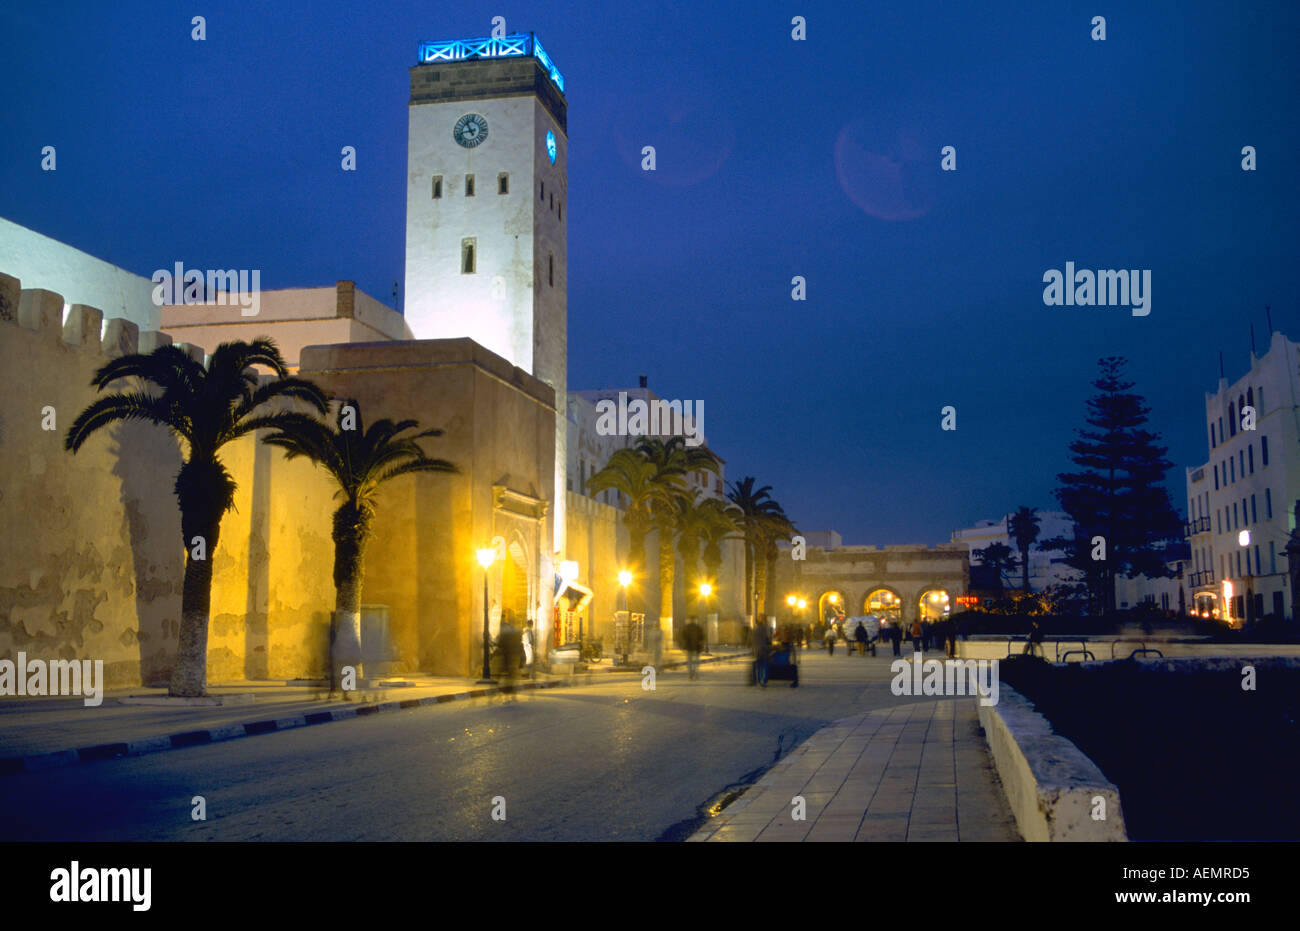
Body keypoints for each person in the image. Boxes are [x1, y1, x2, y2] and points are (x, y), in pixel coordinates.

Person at [497, 612, 523, 700]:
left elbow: (500, 642)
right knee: (511, 673)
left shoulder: (506, 630)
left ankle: (508, 692)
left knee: (507, 673)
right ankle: (511, 693)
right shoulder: (513, 631)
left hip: (508, 656)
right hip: (511, 656)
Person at [753, 621, 772, 686]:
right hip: (764, 650)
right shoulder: (764, 629)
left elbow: (752, 640)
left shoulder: (755, 630)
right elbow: (768, 639)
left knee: (758, 666)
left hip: (757, 650)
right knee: (765, 666)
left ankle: (758, 680)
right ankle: (763, 681)